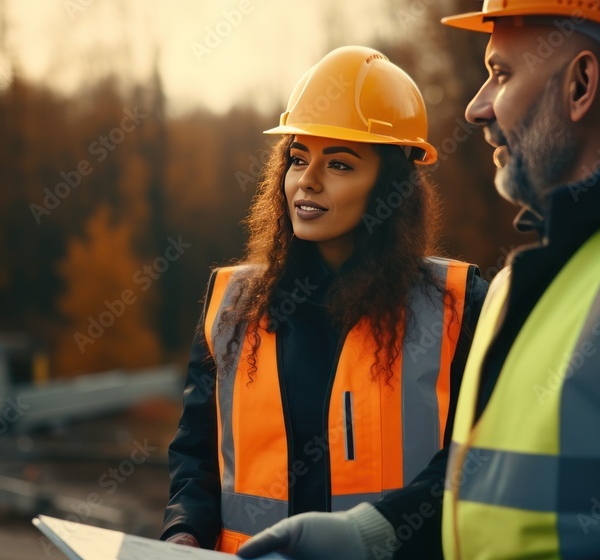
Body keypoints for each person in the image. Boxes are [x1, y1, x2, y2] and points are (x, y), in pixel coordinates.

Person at [241, 2, 600, 560]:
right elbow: (490, 481)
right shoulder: (535, 277)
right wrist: (375, 535)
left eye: (501, 74)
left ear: (580, 84)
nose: (477, 107)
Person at [160, 45, 488, 556]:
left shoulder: (457, 306)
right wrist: (182, 535)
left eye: (338, 163)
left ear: (391, 187)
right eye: (297, 158)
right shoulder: (232, 305)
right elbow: (196, 457)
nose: (306, 180)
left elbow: (476, 463)